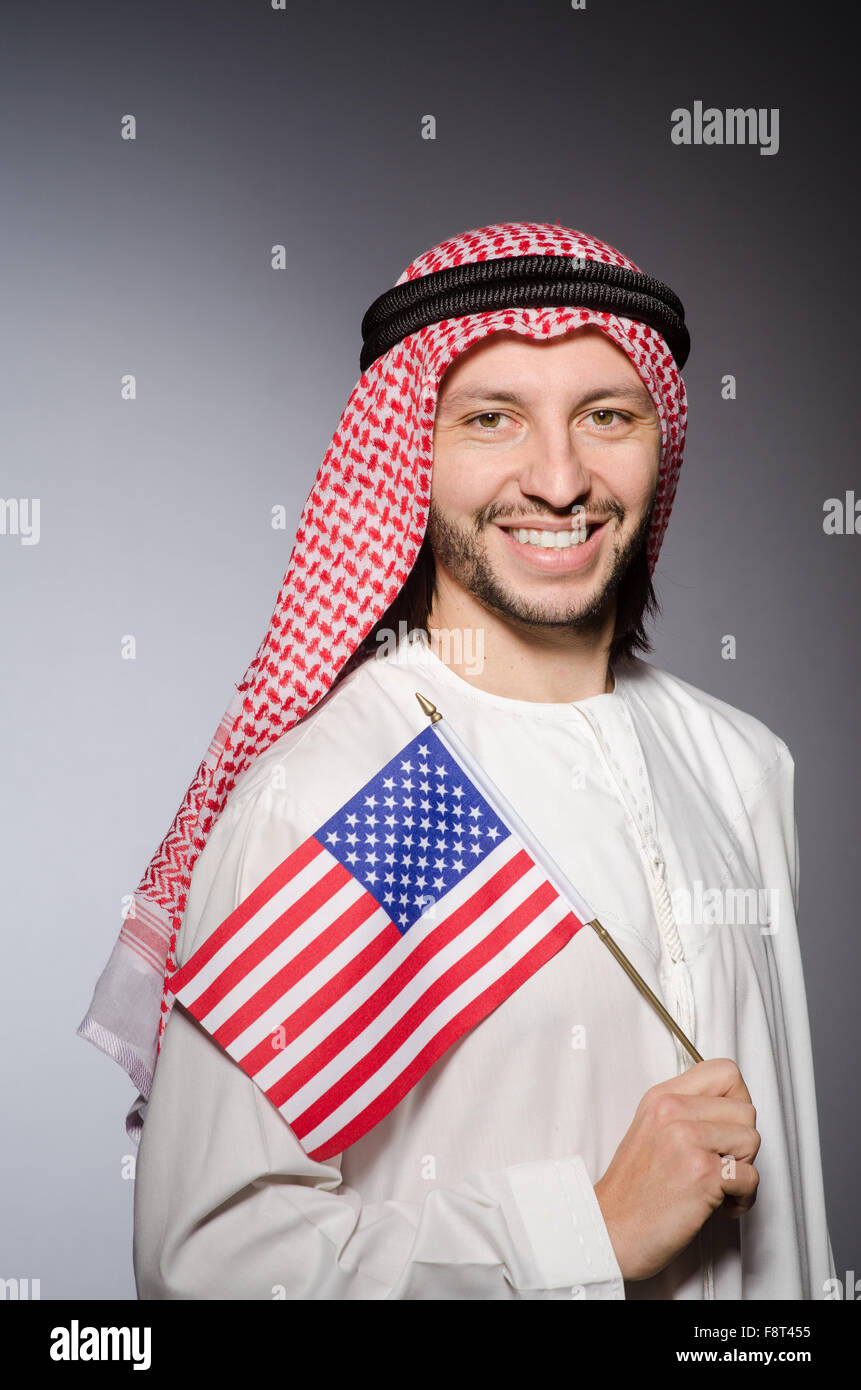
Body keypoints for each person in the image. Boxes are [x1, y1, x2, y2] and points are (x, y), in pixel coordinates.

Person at [77, 220, 835, 1299]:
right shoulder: (343, 793)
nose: (560, 477)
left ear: (659, 440)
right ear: (408, 456)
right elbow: (211, 1269)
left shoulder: (743, 767)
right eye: (493, 419)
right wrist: (585, 1231)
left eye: (606, 416)